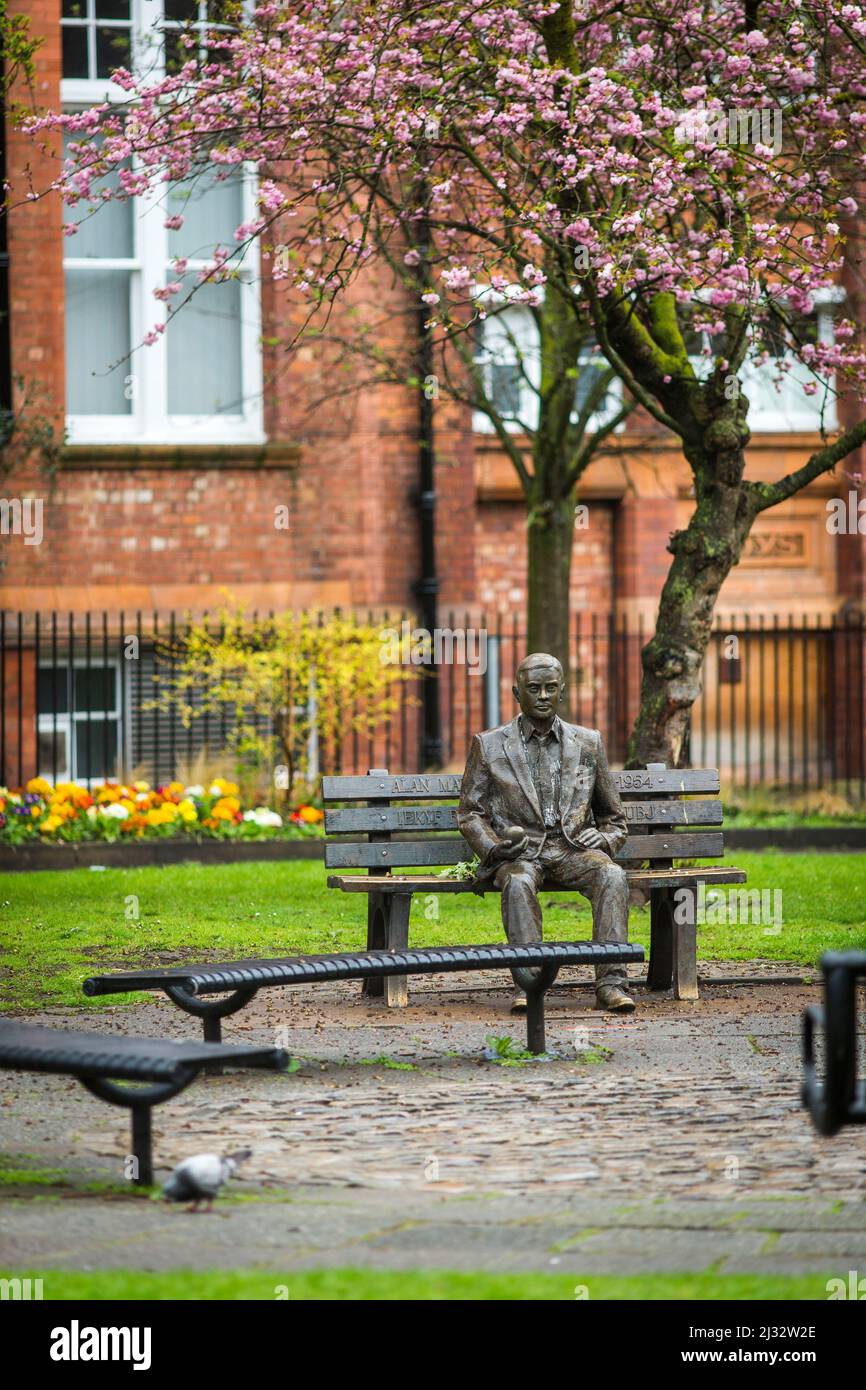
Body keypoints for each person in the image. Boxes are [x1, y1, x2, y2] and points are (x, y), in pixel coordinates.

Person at [458, 652, 635, 1013]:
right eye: (534, 688)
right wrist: (496, 849)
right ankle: (529, 984)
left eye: (550, 688)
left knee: (613, 875)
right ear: (515, 692)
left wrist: (603, 839)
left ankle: (611, 984)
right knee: (519, 882)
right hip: (520, 854)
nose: (542, 696)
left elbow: (614, 818)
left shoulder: (588, 743)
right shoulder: (489, 745)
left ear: (562, 692)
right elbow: (469, 813)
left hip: (571, 849)